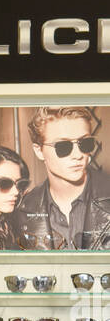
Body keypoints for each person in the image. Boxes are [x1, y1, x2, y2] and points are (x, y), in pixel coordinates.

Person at [14, 106, 110, 250]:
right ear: (39, 151)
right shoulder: (22, 210)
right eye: (63, 146)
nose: (78, 155)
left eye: (85, 143)